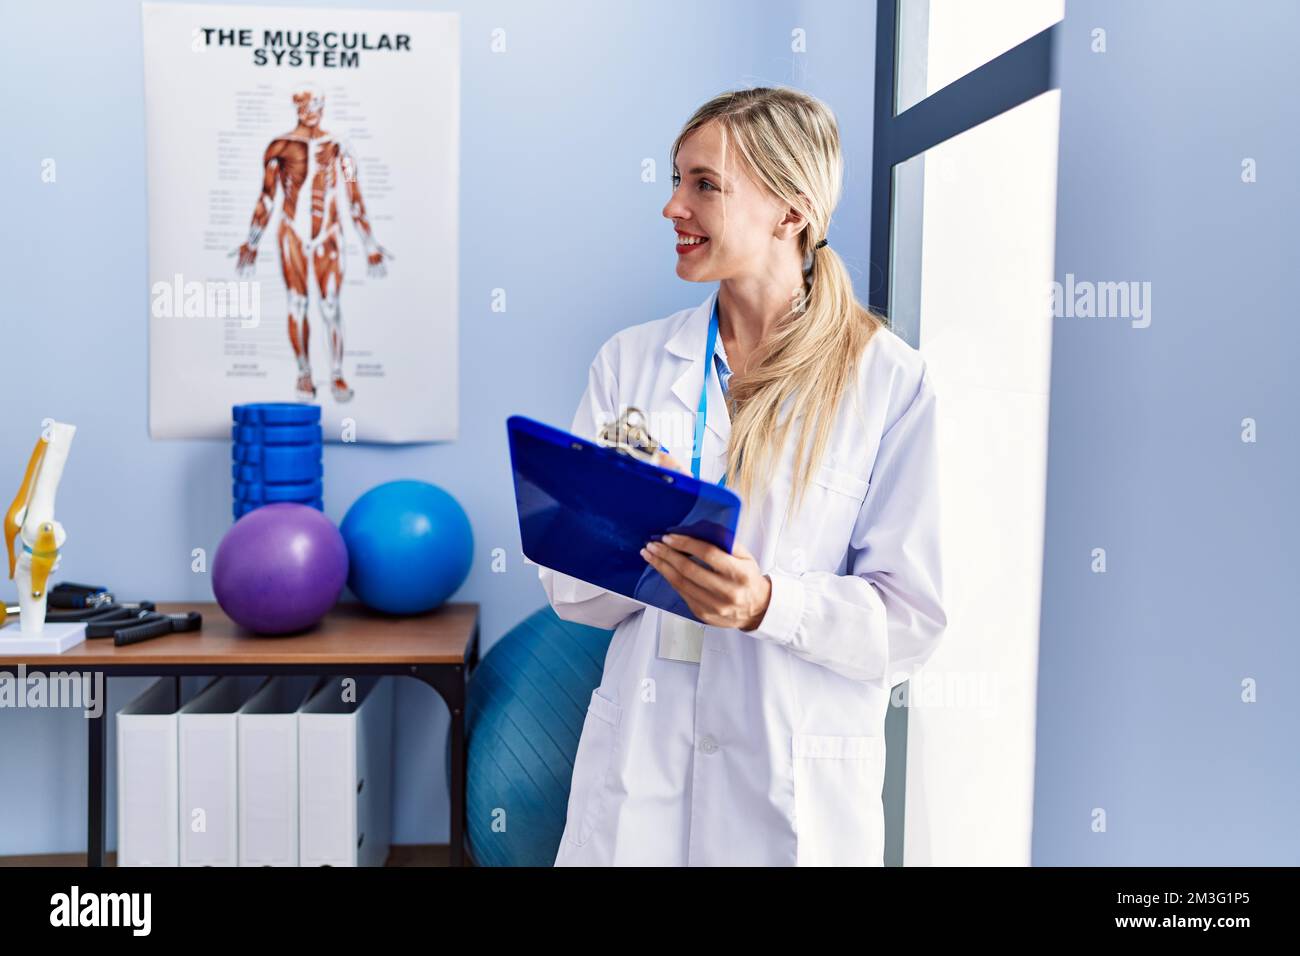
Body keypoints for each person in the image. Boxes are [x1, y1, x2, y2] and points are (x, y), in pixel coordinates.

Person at [538, 87, 947, 866]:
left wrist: (768, 604)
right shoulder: (630, 362)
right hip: (641, 779)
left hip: (792, 795)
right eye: (675, 179)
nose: (672, 207)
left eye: (704, 184)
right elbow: (568, 593)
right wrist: (622, 527)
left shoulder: (890, 383)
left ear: (790, 211)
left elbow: (910, 623)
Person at [235, 83, 388, 403]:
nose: (312, 109)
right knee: (297, 304)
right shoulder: (278, 147)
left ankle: (336, 374)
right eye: (306, 103)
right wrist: (252, 240)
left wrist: (370, 243)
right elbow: (267, 197)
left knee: (330, 305)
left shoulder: (339, 147)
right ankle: (304, 373)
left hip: (329, 233)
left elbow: (354, 195)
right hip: (292, 231)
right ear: (298, 108)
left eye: (317, 102)